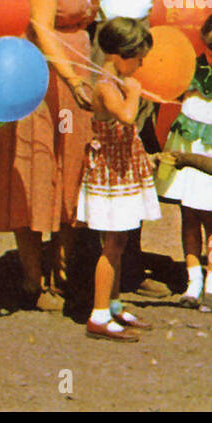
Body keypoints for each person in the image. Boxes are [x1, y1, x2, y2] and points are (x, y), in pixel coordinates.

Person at [0, 0, 109, 311]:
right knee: (37, 166)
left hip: (77, 68)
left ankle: (63, 270)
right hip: (43, 74)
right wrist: (73, 82)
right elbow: (40, 25)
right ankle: (32, 279)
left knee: (72, 166)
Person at [92, 0, 172, 296]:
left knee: (135, 156)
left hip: (140, 50)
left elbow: (161, 0)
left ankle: (132, 266)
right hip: (100, 50)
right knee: (94, 157)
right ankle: (89, 269)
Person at [78, 17, 162, 341]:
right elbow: (126, 116)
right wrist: (135, 94)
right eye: (138, 58)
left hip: (123, 169)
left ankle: (113, 304)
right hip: (109, 174)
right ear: (119, 55)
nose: (141, 65)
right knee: (111, 244)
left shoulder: (118, 84)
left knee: (121, 241)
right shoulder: (105, 87)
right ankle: (98, 315)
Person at [155, 12, 212, 312]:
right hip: (184, 143)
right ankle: (193, 280)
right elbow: (170, 92)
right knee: (188, 215)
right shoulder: (191, 64)